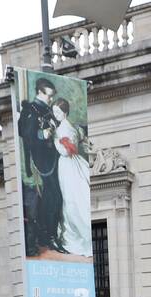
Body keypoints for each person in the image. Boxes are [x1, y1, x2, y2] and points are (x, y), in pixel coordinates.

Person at [17, 77, 65, 255]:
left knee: (55, 199)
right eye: (48, 96)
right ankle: (47, 236)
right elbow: (26, 134)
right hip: (40, 164)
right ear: (39, 92)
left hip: (52, 159)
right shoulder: (30, 110)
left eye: (52, 96)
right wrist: (41, 134)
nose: (51, 99)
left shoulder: (47, 109)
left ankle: (50, 234)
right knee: (50, 198)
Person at [52, 98, 93, 258]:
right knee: (70, 199)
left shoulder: (65, 128)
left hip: (69, 165)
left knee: (73, 199)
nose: (56, 114)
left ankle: (77, 238)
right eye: (54, 111)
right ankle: (72, 233)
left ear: (65, 112)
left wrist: (55, 141)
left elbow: (67, 151)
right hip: (67, 166)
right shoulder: (67, 127)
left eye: (58, 112)